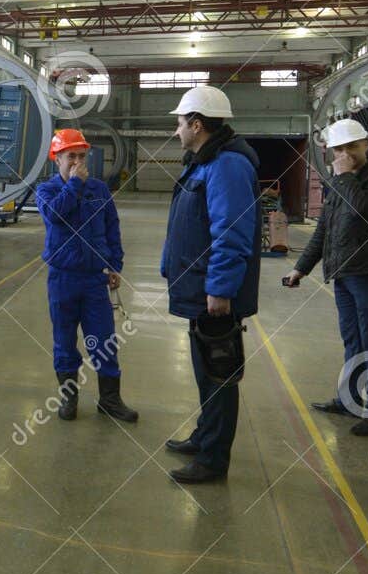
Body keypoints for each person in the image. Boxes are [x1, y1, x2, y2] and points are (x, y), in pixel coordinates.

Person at [161, 84, 262, 484]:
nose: (177, 131)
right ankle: (205, 436)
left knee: (219, 376)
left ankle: (213, 460)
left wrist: (220, 288)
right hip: (198, 287)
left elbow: (232, 232)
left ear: (197, 124)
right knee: (206, 372)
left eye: (180, 123)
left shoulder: (226, 166)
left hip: (213, 294)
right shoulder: (204, 161)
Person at [281, 118, 368, 436]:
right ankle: (350, 399)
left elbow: (360, 210)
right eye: (339, 148)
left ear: (366, 146)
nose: (346, 153)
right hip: (343, 273)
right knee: (352, 339)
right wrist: (300, 268)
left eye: (352, 147)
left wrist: (344, 176)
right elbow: (325, 229)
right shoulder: (340, 181)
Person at [35, 128, 137, 423]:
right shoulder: (47, 191)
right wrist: (75, 185)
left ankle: (110, 399)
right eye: (71, 156)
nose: (78, 162)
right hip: (63, 279)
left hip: (94, 279)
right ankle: (68, 398)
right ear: (57, 159)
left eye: (82, 156)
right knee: (64, 341)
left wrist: (114, 264)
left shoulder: (99, 190)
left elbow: (111, 226)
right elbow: (56, 215)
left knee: (103, 340)